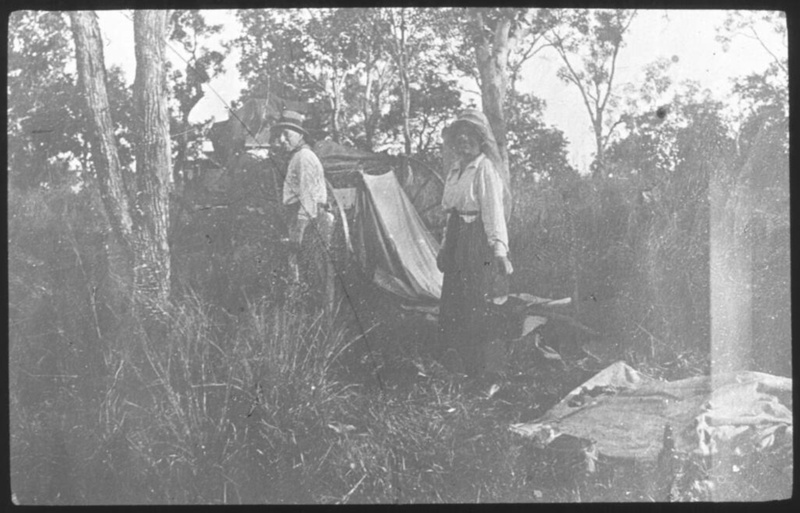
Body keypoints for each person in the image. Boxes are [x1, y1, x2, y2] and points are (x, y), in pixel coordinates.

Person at [437, 109, 513, 377]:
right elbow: (450, 215)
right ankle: (457, 365)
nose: (464, 140)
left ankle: (483, 370)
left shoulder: (484, 168)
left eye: (470, 135)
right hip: (458, 239)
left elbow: (493, 212)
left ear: (481, 141)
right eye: (459, 135)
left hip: (477, 241)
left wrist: (500, 251)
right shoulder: (455, 170)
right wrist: (445, 246)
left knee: (476, 303)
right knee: (453, 303)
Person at [271, 110, 335, 315]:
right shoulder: (297, 157)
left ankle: (320, 318)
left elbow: (307, 198)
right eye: (279, 135)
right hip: (303, 217)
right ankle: (307, 315)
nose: (281, 140)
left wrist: (298, 231)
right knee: (302, 269)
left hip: (310, 220)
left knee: (313, 270)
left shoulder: (304, 157)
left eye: (286, 134)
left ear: (301, 135)